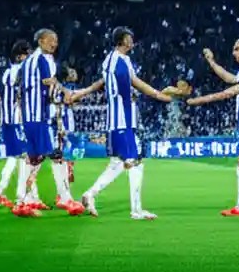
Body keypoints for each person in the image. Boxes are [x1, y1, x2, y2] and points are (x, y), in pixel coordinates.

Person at [68, 26, 173, 220]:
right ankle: (136, 210)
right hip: (120, 120)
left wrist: (158, 94)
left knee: (117, 163)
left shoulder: (123, 60)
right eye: (130, 38)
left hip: (124, 118)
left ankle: (90, 194)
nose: (133, 41)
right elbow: (112, 83)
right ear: (123, 40)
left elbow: (135, 81)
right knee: (135, 162)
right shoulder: (113, 60)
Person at [185, 38, 239, 217]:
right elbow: (231, 80)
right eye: (236, 50)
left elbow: (229, 86)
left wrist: (199, 100)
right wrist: (211, 62)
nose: (238, 53)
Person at [13, 29, 84, 217]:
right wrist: (65, 91)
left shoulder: (27, 63)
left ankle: (22, 200)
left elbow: (21, 89)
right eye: (52, 40)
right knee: (55, 155)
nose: (55, 44)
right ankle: (64, 197)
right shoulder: (43, 60)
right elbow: (48, 81)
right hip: (39, 117)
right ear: (42, 41)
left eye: (57, 41)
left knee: (33, 158)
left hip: (30, 116)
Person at [0, 41, 30, 208]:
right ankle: (20, 198)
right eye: (27, 54)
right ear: (20, 56)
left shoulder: (7, 72)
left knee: (15, 157)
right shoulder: (22, 71)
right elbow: (22, 94)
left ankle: (1, 192)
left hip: (7, 121)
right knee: (22, 158)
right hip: (17, 121)